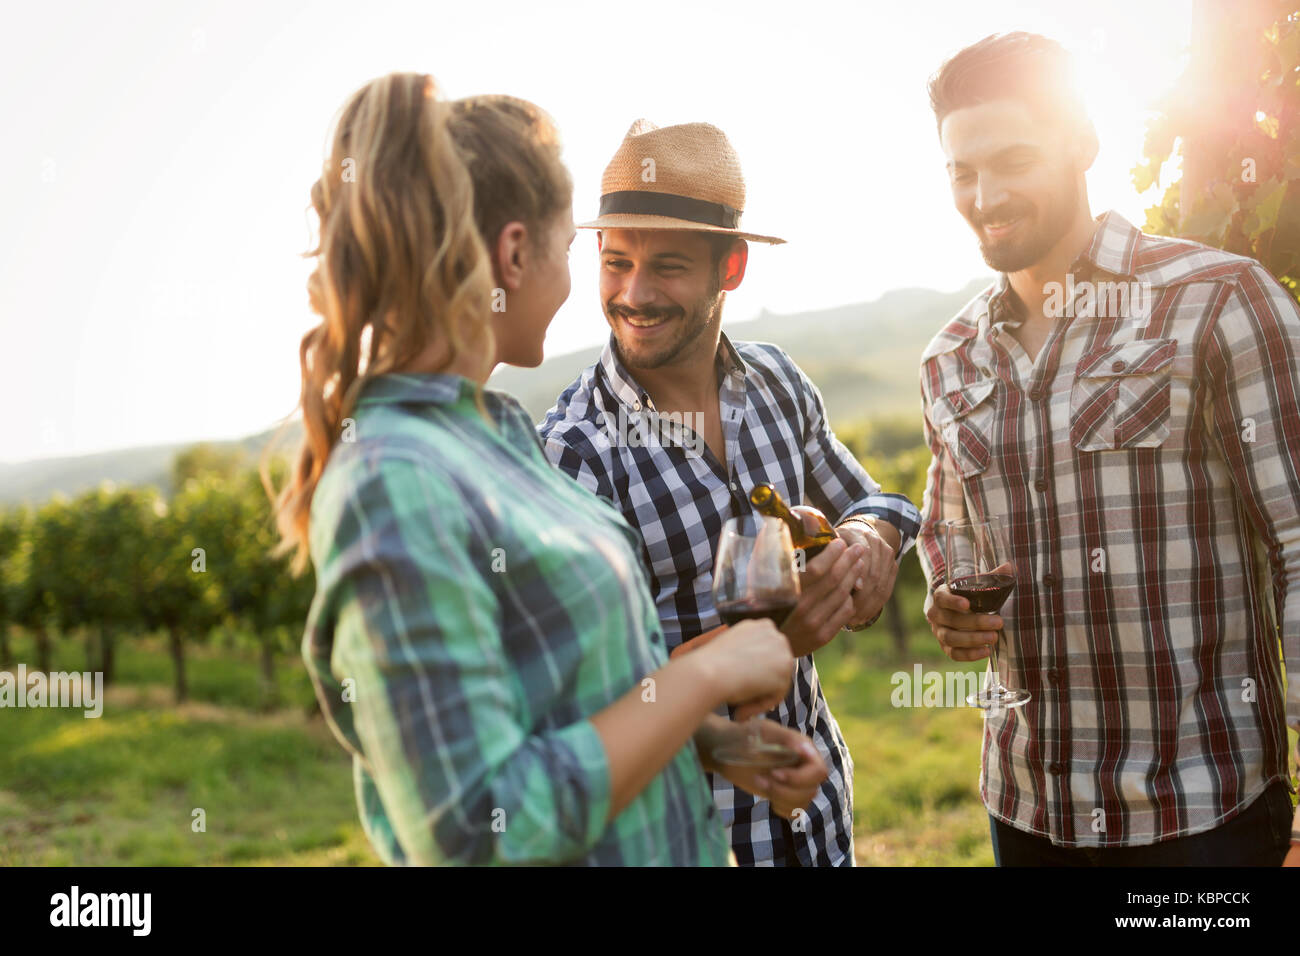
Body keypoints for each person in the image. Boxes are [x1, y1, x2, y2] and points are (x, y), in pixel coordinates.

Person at [272, 73, 829, 866]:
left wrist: (712, 745)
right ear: (514, 253)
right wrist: (704, 682)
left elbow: (566, 705)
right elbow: (475, 828)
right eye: (577, 249)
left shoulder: (493, 438)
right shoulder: (396, 483)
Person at [917, 32, 1300, 865]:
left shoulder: (1218, 301)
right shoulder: (949, 358)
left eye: (1012, 159)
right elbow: (946, 533)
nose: (985, 195)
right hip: (1024, 810)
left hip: (1202, 815)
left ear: (1083, 140)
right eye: (961, 171)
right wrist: (945, 601)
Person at [539, 120, 921, 866]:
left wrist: (873, 542)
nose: (634, 294)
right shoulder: (576, 453)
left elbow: (873, 502)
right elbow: (589, 706)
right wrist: (779, 637)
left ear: (732, 267)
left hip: (819, 826)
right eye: (616, 263)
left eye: (669, 267)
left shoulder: (776, 382)